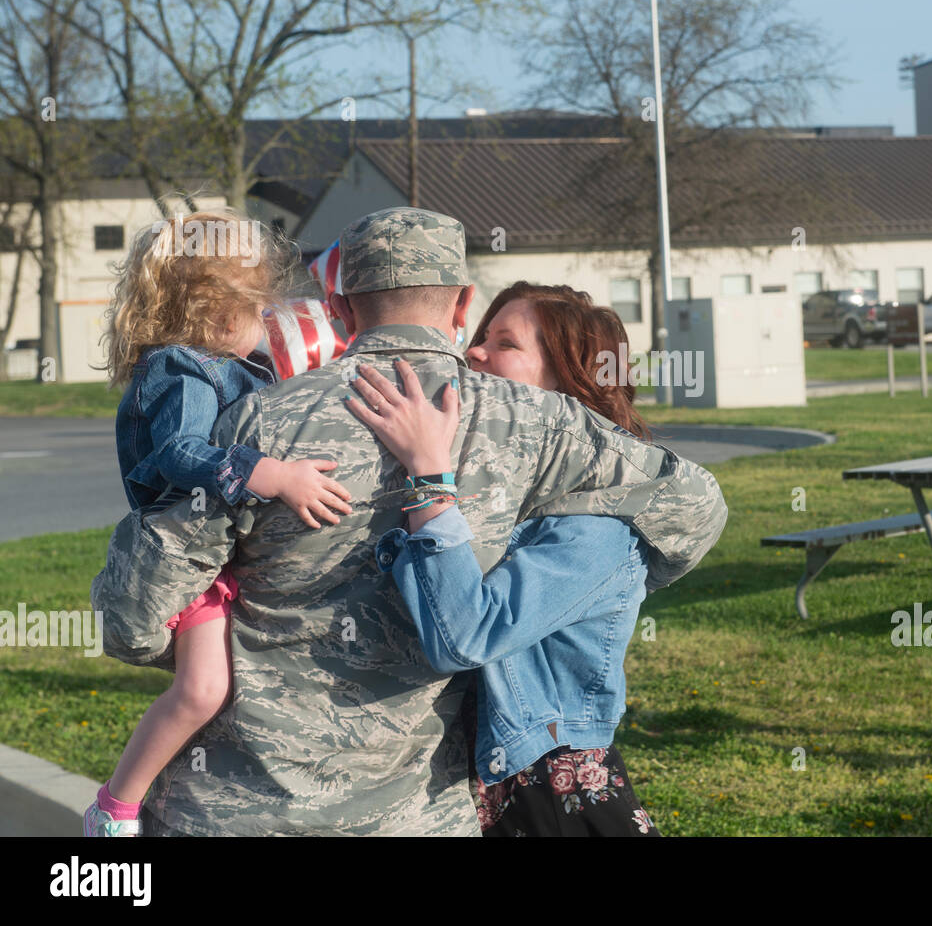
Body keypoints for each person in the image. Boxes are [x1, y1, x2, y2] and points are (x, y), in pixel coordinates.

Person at [89, 207, 728, 836]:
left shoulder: (258, 423)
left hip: (233, 805)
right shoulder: (540, 425)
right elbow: (694, 507)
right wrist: (559, 565)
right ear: (462, 305)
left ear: (339, 309)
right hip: (417, 812)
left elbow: (132, 615)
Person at [348, 282, 663, 836]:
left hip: (552, 803)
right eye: (479, 335)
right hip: (481, 795)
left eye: (505, 344)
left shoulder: (597, 527)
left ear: (566, 388)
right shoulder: (509, 496)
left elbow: (466, 637)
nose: (472, 352)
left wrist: (429, 480)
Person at [84, 210, 352, 837]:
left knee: (224, 693)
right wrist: (272, 475)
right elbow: (179, 449)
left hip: (218, 553)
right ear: (214, 312)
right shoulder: (182, 368)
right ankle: (117, 806)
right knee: (203, 690)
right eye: (257, 312)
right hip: (188, 558)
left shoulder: (221, 364)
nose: (265, 327)